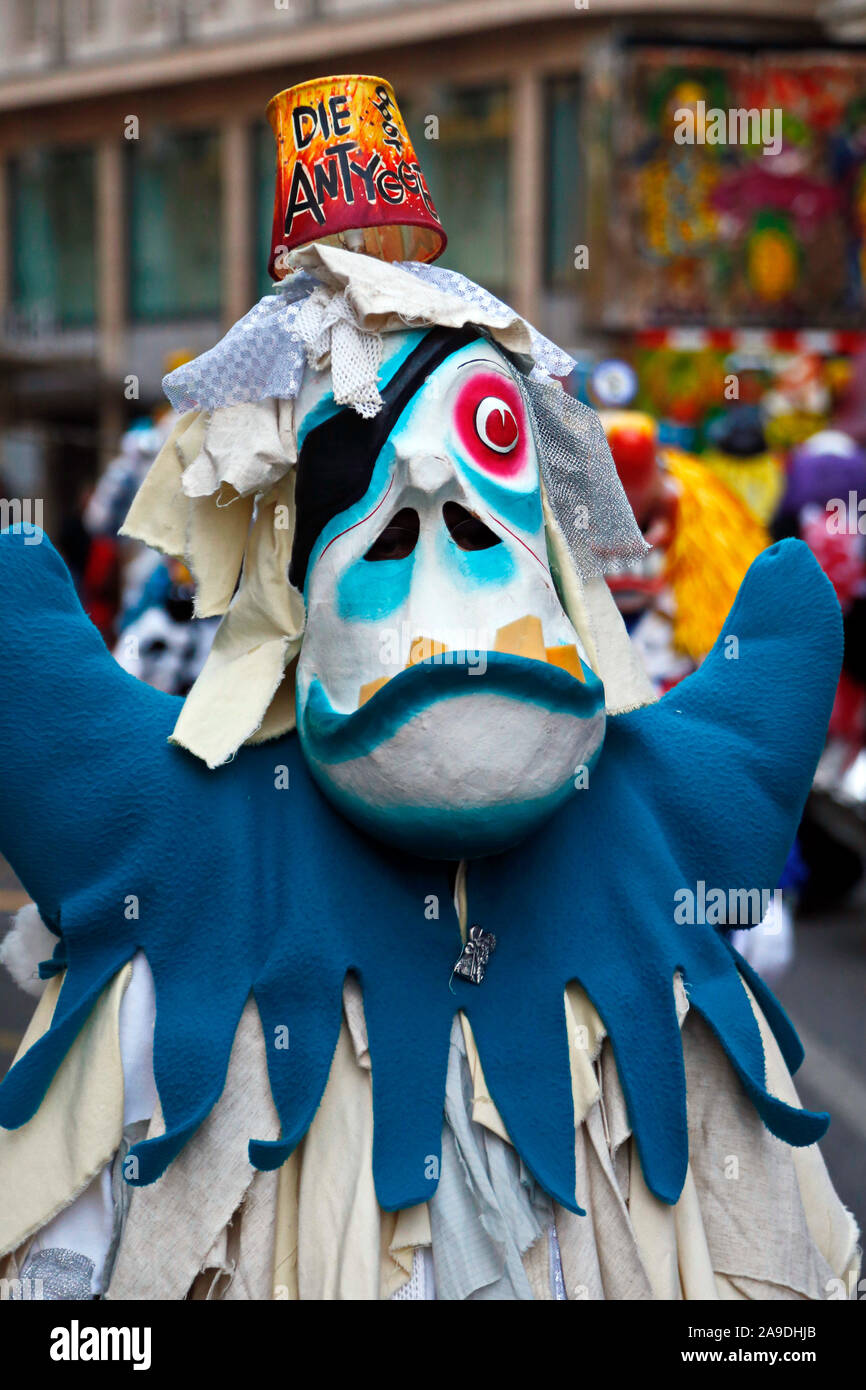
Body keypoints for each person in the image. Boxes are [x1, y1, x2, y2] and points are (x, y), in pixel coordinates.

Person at [0, 75, 859, 1302]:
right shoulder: (189, 914)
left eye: (484, 450)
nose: (428, 507)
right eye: (358, 469)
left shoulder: (651, 872)